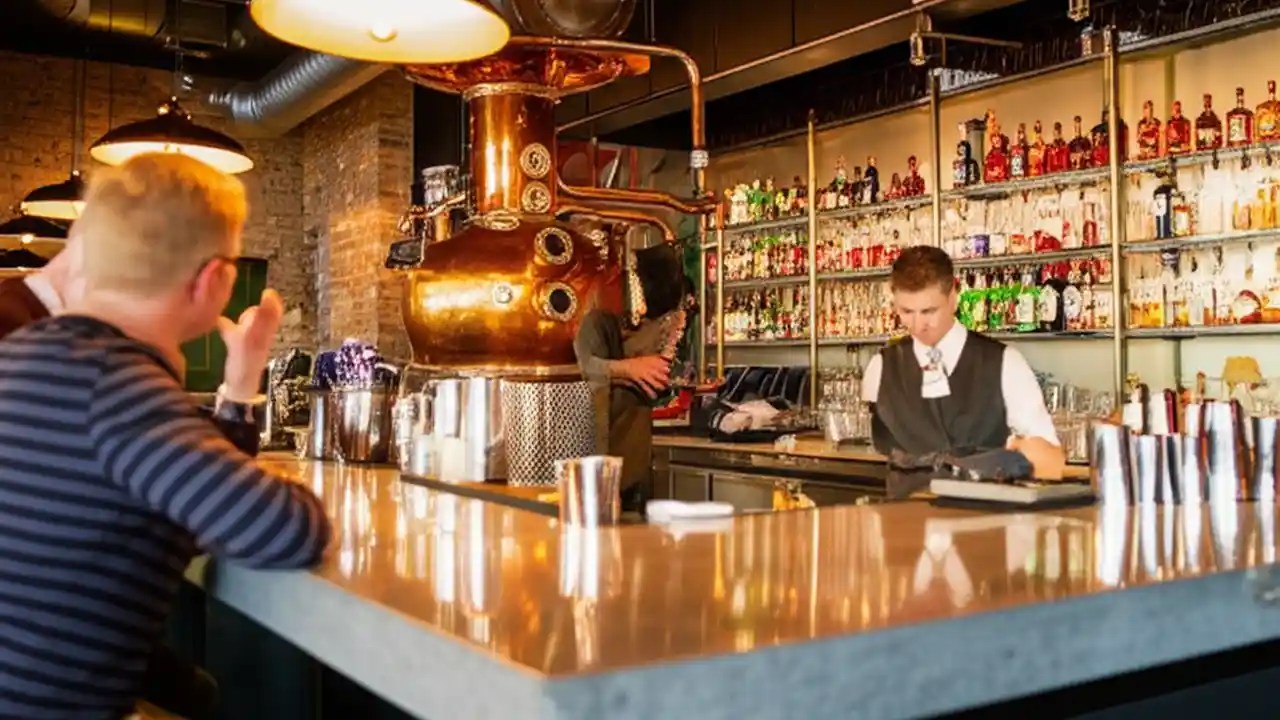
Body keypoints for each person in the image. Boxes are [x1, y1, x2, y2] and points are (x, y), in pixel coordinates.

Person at [0, 153, 333, 719]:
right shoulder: (117, 387)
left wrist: (241, 377)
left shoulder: (24, 355)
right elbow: (286, 530)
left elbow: (152, 495)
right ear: (216, 282)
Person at [861, 246, 1064, 497]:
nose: (918, 325)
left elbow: (1053, 463)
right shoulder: (880, 369)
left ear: (953, 297)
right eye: (906, 312)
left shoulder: (1005, 364)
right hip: (905, 526)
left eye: (929, 311)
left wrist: (1015, 451)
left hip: (983, 526)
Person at [575, 242, 686, 510]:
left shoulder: (619, 325)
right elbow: (579, 371)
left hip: (625, 470)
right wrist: (627, 370)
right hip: (599, 470)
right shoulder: (592, 321)